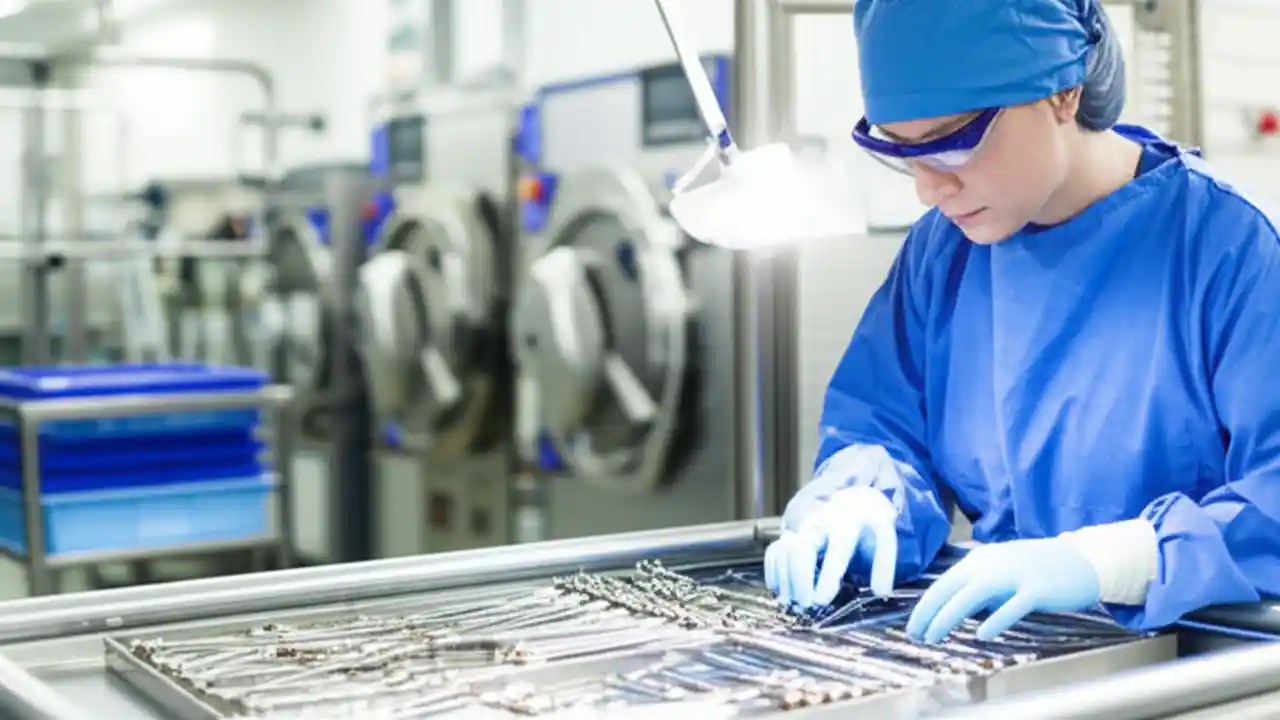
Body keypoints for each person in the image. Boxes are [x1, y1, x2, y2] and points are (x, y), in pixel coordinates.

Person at [765, 0, 1280, 645]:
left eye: (952, 146)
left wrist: (1113, 562)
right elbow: (884, 424)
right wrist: (865, 497)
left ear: (1063, 92)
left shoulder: (1227, 250)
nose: (929, 190)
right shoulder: (942, 256)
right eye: (902, 154)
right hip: (1011, 662)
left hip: (1209, 678)